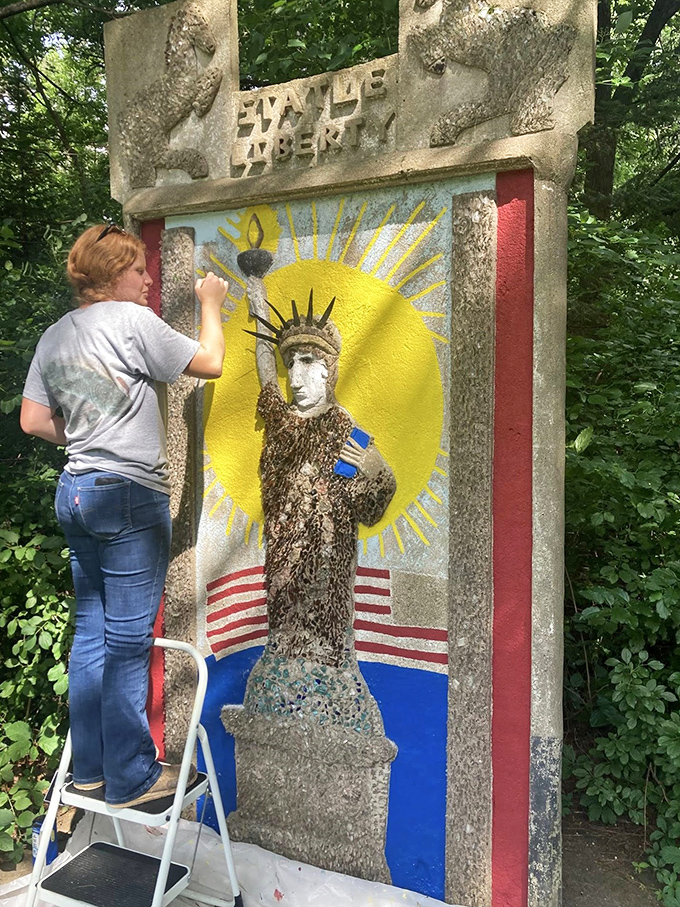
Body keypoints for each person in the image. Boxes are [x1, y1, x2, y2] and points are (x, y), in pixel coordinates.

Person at [20, 223, 227, 808]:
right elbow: (209, 362)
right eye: (139, 270)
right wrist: (211, 302)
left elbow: (33, 421)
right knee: (130, 641)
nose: (148, 279)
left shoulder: (55, 336)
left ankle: (88, 771)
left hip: (76, 492)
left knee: (91, 634)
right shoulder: (132, 322)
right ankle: (133, 777)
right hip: (128, 496)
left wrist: (90, 433)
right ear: (113, 275)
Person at [245, 277, 396, 670]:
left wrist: (377, 471)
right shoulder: (281, 421)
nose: (295, 378)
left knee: (323, 653)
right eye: (291, 364)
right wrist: (257, 297)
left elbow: (368, 509)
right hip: (282, 558)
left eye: (308, 362)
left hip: (326, 566)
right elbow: (265, 366)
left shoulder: (343, 428)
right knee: (283, 649)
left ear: (329, 370)